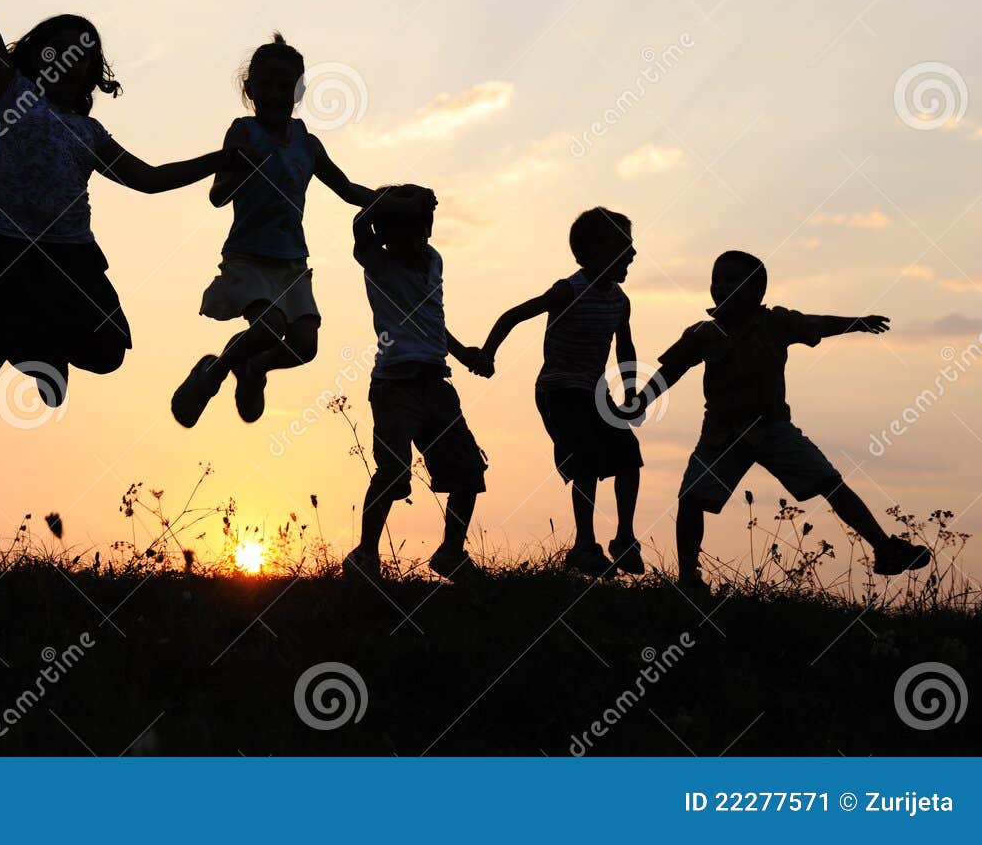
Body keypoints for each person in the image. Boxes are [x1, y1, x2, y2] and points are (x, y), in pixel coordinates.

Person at [0, 0, 235, 411]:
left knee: (108, 351)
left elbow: (149, 178)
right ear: (36, 55)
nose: (69, 62)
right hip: (4, 245)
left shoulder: (90, 133)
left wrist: (222, 157)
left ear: (92, 74)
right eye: (58, 50)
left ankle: (39, 349)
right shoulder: (11, 94)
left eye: (83, 56)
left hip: (68, 255)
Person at [629, 250, 931, 595]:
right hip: (722, 432)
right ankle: (687, 579)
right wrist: (641, 401)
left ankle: (885, 549)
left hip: (773, 428)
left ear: (757, 291)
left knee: (830, 483)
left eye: (731, 280)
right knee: (691, 499)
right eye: (716, 279)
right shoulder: (703, 334)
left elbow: (818, 323)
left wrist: (857, 322)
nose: (720, 286)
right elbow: (671, 370)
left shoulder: (777, 323)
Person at [171, 34, 425, 428]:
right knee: (270, 327)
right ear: (249, 89)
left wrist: (396, 203)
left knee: (306, 348)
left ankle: (254, 369)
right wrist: (239, 168)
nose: (274, 93)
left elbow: (347, 190)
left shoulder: (308, 144)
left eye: (284, 85)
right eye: (265, 84)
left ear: (298, 90)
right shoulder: (243, 133)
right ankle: (214, 371)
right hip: (248, 257)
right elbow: (217, 197)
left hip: (291, 262)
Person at [482, 208, 644, 576]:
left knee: (629, 456)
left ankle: (624, 538)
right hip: (558, 390)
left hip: (594, 392)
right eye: (625, 246)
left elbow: (625, 348)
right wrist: (488, 353)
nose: (632, 254)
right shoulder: (568, 290)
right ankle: (585, 545)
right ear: (595, 251)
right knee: (585, 459)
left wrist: (631, 389)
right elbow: (514, 315)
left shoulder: (620, 301)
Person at [345, 190, 493, 581]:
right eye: (409, 227)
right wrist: (390, 198)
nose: (418, 237)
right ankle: (365, 555)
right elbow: (360, 225)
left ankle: (450, 553)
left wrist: (463, 355)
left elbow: (432, 319)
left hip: (435, 382)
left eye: (423, 225)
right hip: (395, 385)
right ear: (389, 233)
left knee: (467, 472)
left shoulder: (434, 262)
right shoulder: (378, 263)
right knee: (393, 474)